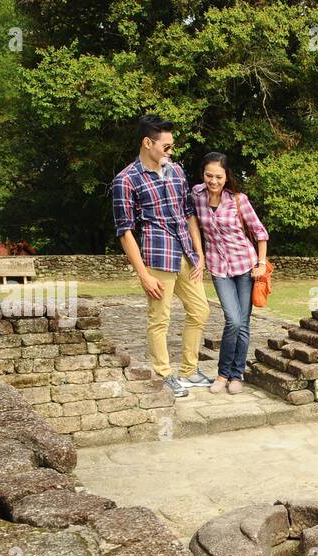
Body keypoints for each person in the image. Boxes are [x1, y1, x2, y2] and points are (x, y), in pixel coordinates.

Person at [111, 115, 213, 398]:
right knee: (160, 319)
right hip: (157, 257)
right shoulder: (126, 180)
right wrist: (142, 274)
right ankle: (164, 373)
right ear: (148, 143)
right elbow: (125, 231)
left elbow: (189, 214)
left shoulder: (177, 171)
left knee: (200, 310)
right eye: (166, 146)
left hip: (185, 253)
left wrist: (199, 254)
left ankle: (189, 371)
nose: (171, 151)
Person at [190, 152, 269, 394]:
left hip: (245, 266)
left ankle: (236, 375)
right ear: (203, 174)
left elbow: (260, 232)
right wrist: (199, 255)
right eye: (209, 175)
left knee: (242, 323)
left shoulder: (238, 199)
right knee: (232, 319)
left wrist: (262, 263)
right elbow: (191, 223)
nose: (213, 181)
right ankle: (222, 374)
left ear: (226, 177)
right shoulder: (196, 195)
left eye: (218, 176)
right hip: (218, 267)